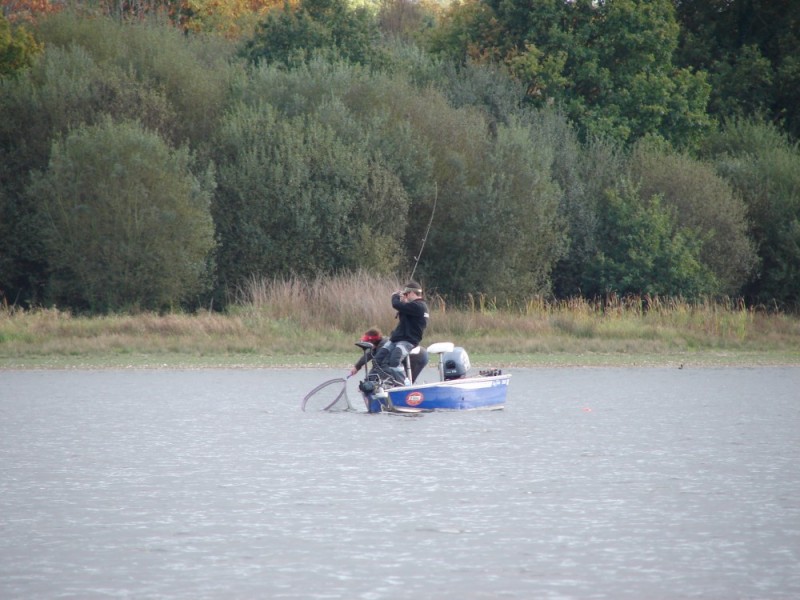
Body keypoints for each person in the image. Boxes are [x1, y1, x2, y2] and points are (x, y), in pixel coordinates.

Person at [370, 281, 430, 385]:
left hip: (408, 341)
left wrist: (395, 296)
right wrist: (404, 301)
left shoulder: (419, 306)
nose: (405, 296)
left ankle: (403, 383)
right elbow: (403, 313)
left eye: (406, 294)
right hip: (396, 339)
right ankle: (382, 382)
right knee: (377, 361)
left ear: (412, 293)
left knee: (395, 360)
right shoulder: (411, 307)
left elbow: (396, 304)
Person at [350, 326, 429, 382]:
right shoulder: (377, 345)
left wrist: (367, 381)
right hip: (409, 357)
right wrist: (357, 367)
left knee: (405, 380)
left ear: (373, 342)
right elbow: (368, 355)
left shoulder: (384, 346)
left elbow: (378, 366)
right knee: (398, 376)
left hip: (418, 356)